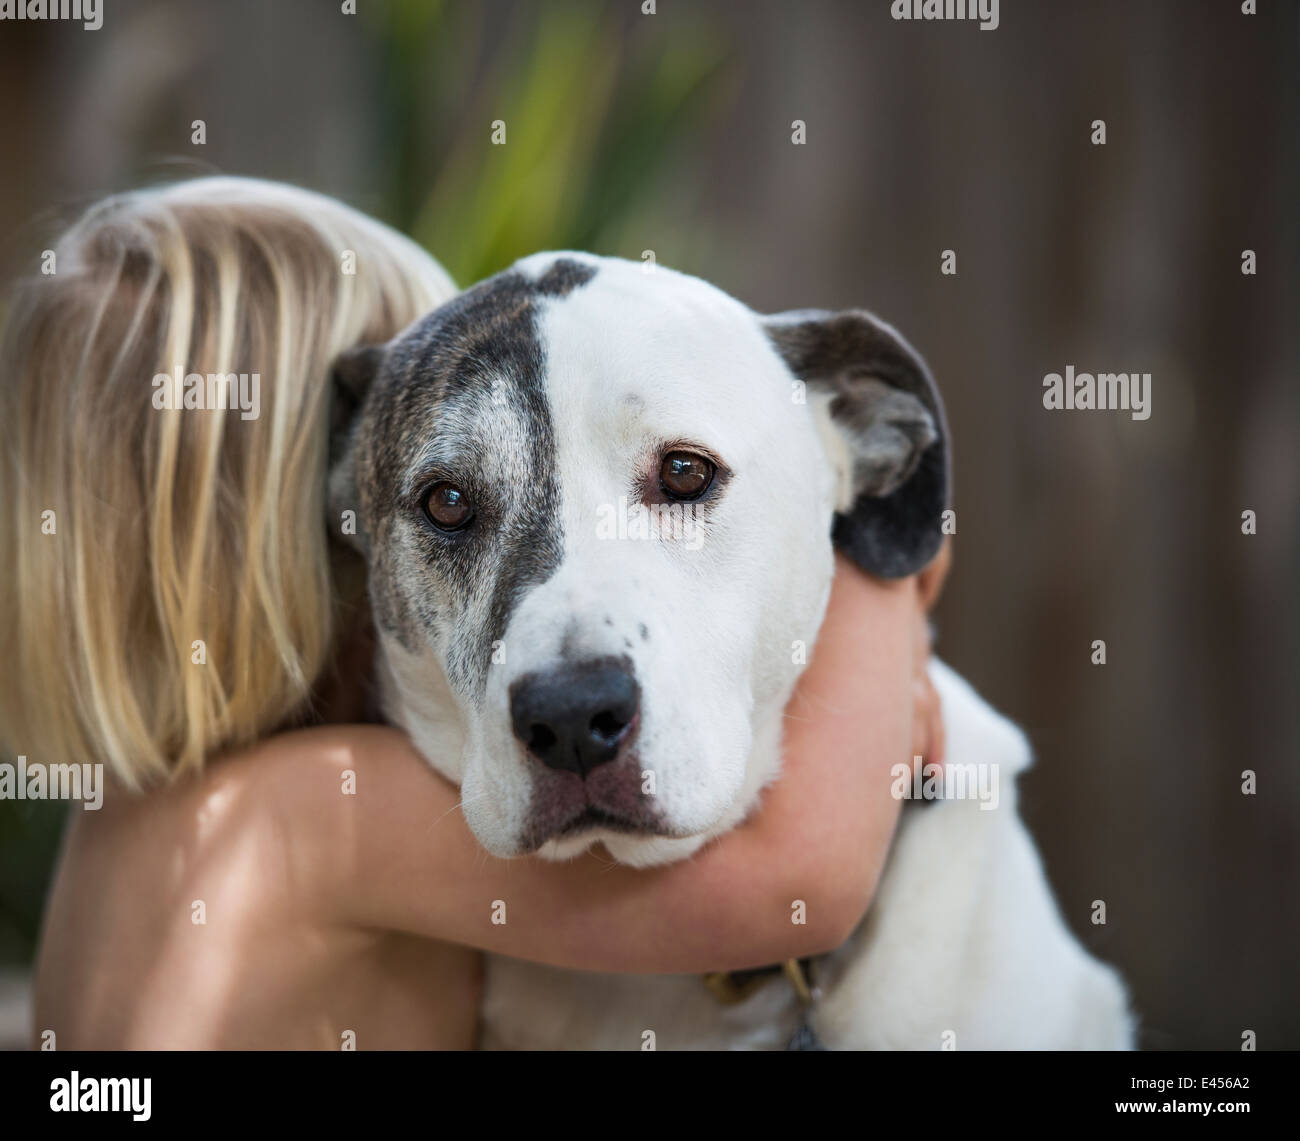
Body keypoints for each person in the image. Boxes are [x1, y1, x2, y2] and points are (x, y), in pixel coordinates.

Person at [0, 177, 947, 1049]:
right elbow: (798, 883)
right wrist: (885, 592)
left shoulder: (124, 820)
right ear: (319, 518)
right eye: (448, 505)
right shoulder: (299, 817)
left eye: (684, 480)